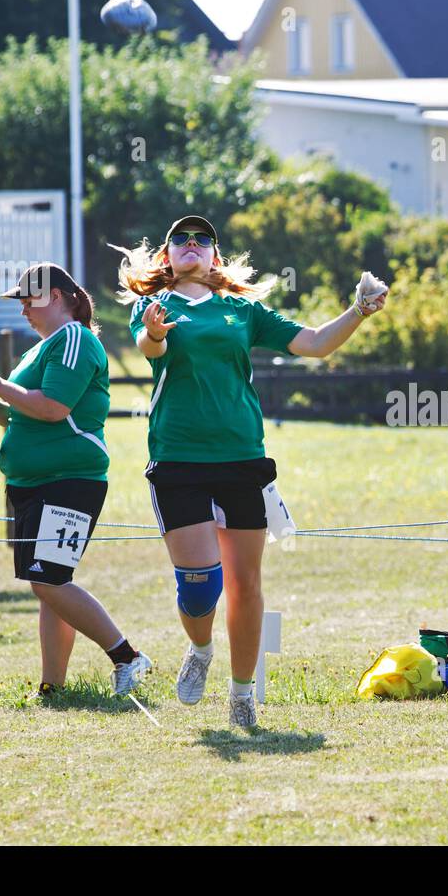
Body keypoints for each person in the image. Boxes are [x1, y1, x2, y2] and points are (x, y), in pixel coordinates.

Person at [114, 215, 386, 727]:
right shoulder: (157, 308)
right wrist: (153, 334)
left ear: (215, 256)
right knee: (198, 586)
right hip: (180, 459)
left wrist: (360, 310)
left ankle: (242, 696)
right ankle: (199, 649)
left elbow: (314, 343)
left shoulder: (243, 311)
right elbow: (152, 349)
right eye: (180, 240)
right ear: (167, 256)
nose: (191, 245)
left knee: (245, 583)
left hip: (243, 457)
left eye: (202, 240)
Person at [0, 263, 151, 698]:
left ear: (58, 297)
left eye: (30, 299)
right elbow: (21, 417)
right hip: (31, 483)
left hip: (70, 480)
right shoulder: (39, 349)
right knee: (50, 583)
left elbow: (54, 407)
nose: (23, 308)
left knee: (48, 579)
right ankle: (54, 686)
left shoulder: (74, 339)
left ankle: (127, 656)